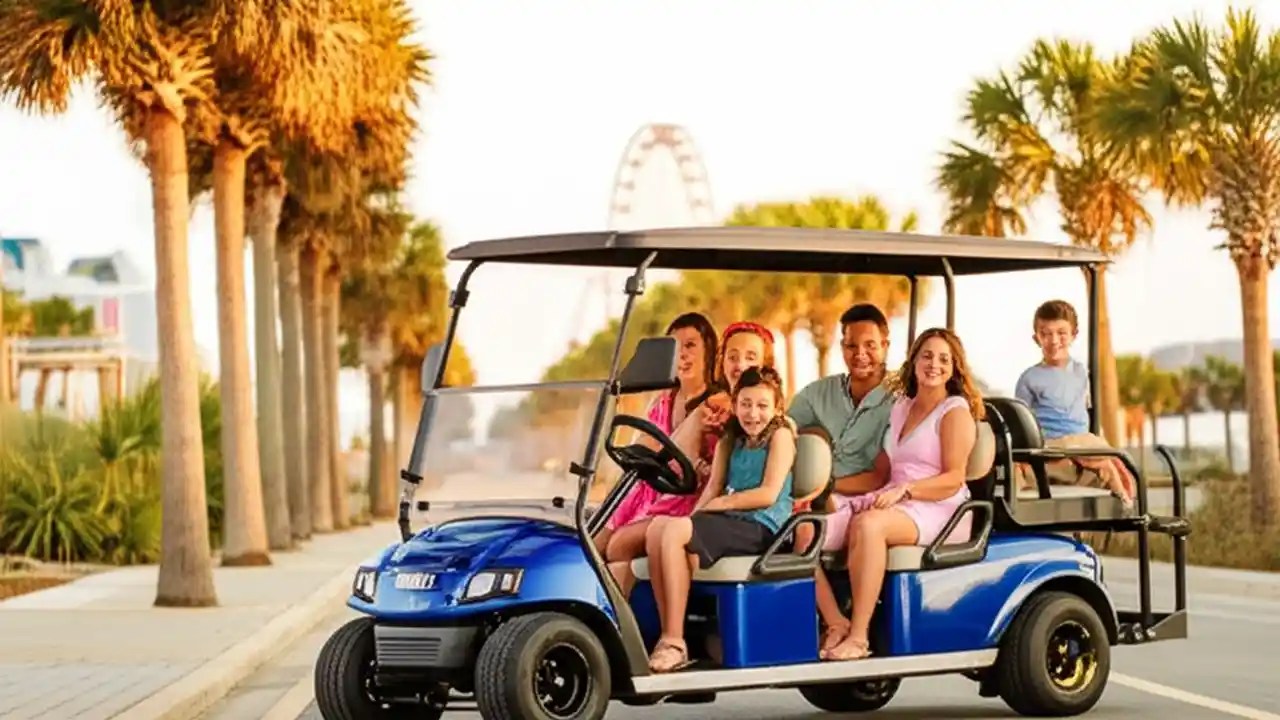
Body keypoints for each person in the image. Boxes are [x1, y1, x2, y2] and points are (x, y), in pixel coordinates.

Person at [824, 328, 984, 662]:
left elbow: (954, 478)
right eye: (926, 356)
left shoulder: (954, 411)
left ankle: (859, 636)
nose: (933, 364)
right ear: (914, 361)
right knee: (806, 530)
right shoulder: (900, 408)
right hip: (893, 499)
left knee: (869, 526)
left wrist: (906, 490)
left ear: (954, 368)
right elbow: (880, 474)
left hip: (940, 508)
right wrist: (826, 485)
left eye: (943, 359)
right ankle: (834, 622)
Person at [642, 366, 796, 672]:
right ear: (736, 404)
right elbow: (713, 485)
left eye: (762, 406)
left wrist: (722, 504)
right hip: (730, 521)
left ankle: (674, 641)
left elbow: (767, 493)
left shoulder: (780, 437)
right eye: (746, 404)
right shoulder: (731, 439)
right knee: (659, 530)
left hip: (763, 526)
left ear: (777, 407)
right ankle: (669, 632)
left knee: (673, 532)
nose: (753, 414)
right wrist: (693, 517)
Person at [785, 304, 895, 654]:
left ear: (885, 345)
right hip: (822, 495)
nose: (860, 355)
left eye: (870, 346)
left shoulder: (902, 398)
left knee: (804, 532)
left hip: (871, 497)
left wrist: (827, 488)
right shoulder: (819, 394)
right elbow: (783, 429)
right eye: (850, 346)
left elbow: (882, 476)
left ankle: (836, 622)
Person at [597, 313, 721, 570]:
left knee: (618, 546)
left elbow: (681, 460)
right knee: (595, 541)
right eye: (675, 348)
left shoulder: (716, 403)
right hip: (650, 492)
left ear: (708, 351)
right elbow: (645, 445)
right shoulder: (665, 400)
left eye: (690, 346)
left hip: (687, 499)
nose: (682, 355)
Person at [1013, 300, 1135, 507]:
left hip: (1081, 443)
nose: (1054, 340)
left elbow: (1082, 409)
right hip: (1050, 444)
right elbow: (1020, 422)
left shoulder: (1081, 372)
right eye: (1046, 334)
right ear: (1037, 338)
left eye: (1061, 333)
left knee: (1107, 458)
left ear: (1073, 335)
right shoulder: (1030, 378)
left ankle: (1124, 498)